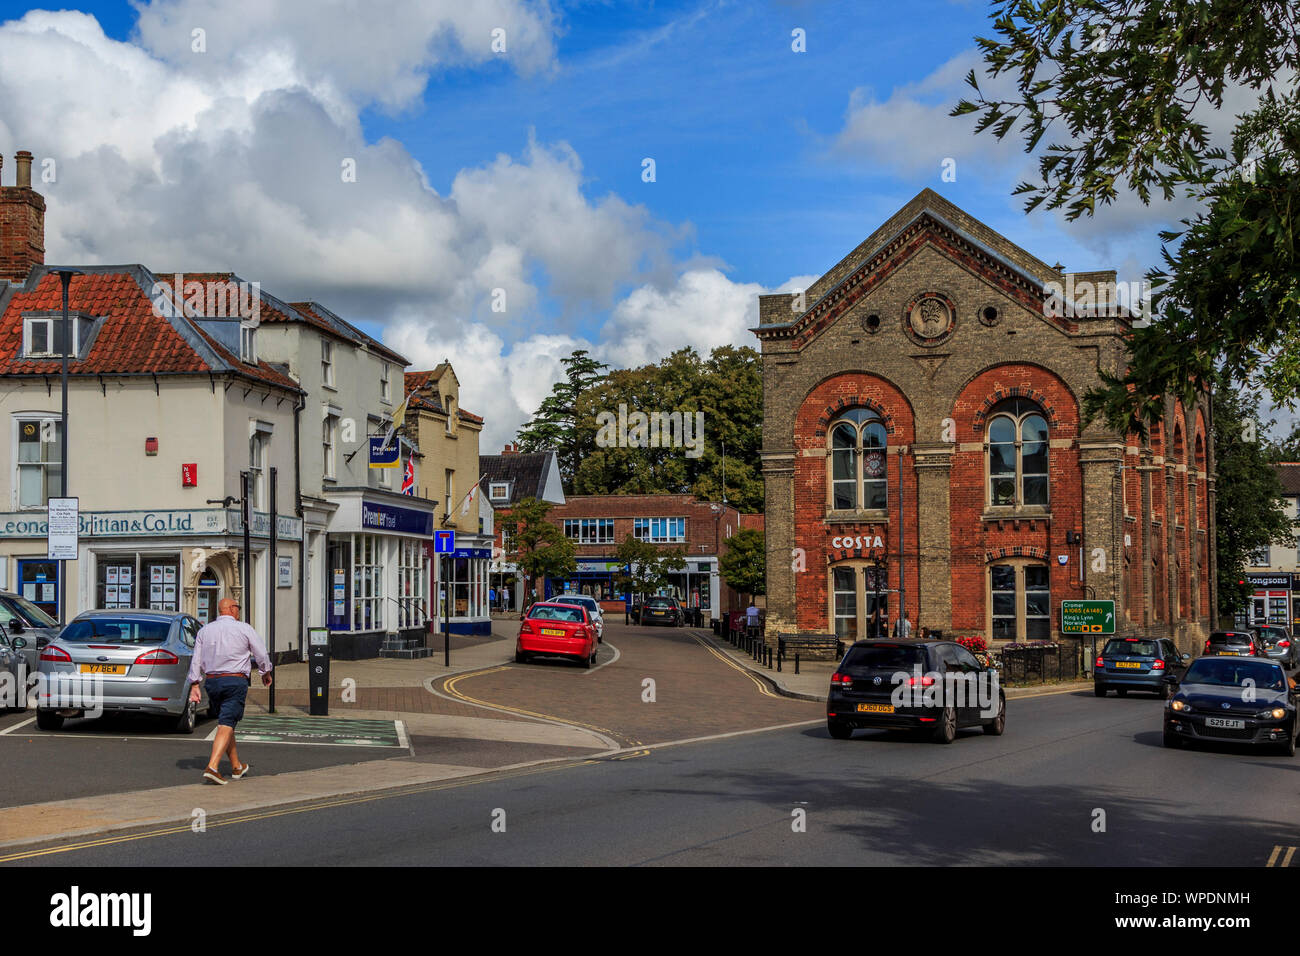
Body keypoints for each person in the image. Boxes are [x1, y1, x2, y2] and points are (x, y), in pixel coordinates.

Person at [187, 597, 273, 785]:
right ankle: (213, 766)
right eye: (238, 607)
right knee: (227, 722)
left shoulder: (204, 631)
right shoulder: (244, 628)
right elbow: (261, 653)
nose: (239, 611)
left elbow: (196, 659)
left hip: (213, 682)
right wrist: (265, 671)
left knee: (227, 722)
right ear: (232, 609)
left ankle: (236, 766)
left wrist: (195, 683)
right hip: (235, 680)